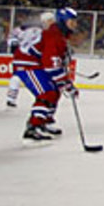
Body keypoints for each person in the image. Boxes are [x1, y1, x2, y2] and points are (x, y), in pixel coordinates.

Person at [14, 8, 78, 143]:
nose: (74, 25)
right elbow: (50, 64)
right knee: (47, 92)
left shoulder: (59, 34)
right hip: (27, 64)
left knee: (54, 91)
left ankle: (45, 121)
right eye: (71, 21)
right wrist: (65, 83)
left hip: (35, 63)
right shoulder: (54, 36)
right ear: (62, 21)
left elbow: (53, 60)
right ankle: (34, 126)